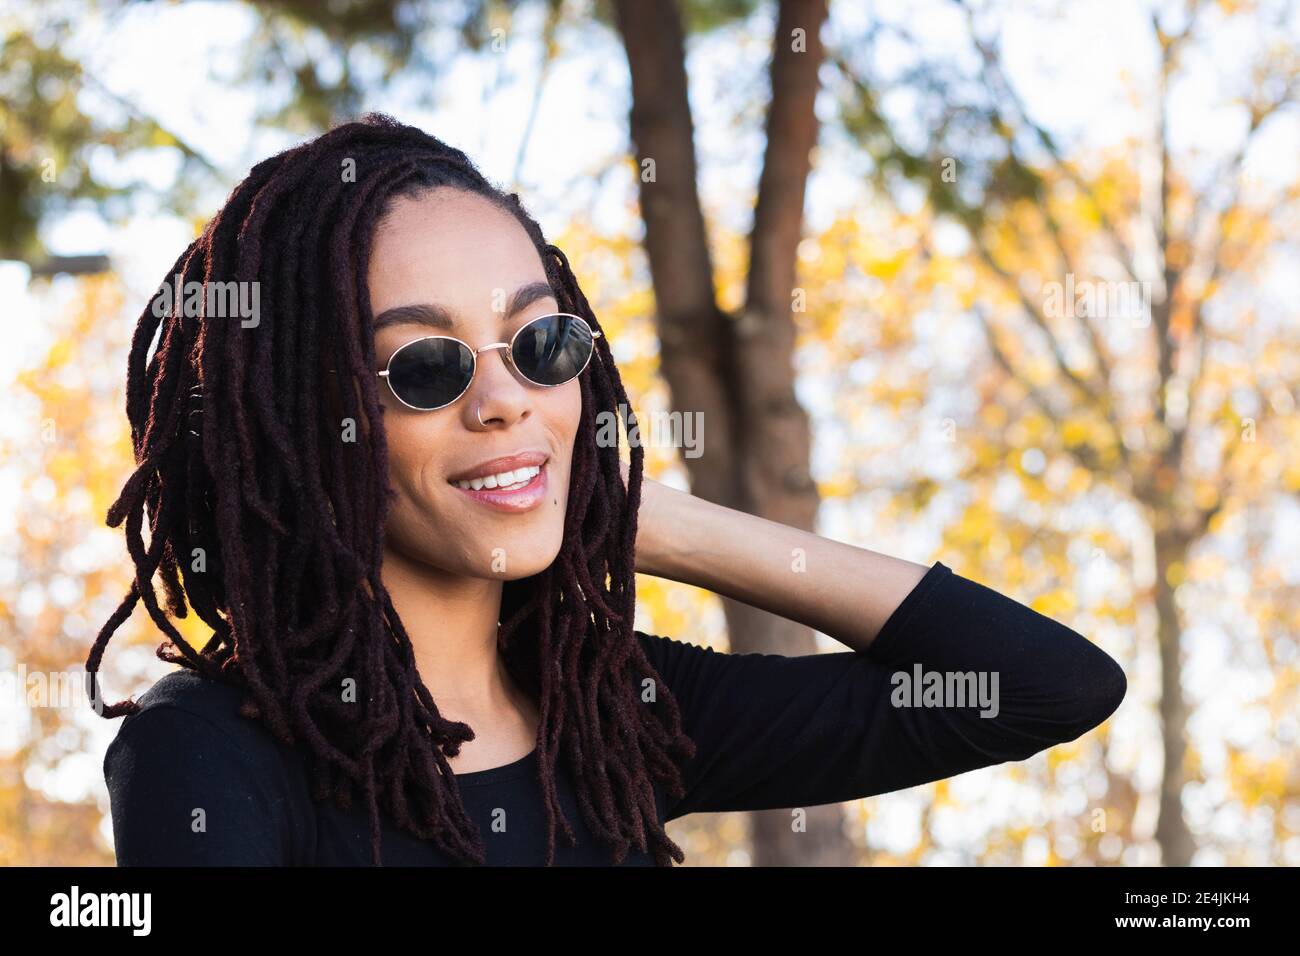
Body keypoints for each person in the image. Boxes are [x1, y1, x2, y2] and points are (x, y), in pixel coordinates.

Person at [92, 113, 1126, 867]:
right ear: (302, 422)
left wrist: (623, 509)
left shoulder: (614, 708)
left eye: (540, 344)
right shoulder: (206, 750)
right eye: (424, 365)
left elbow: (1042, 685)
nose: (504, 400)